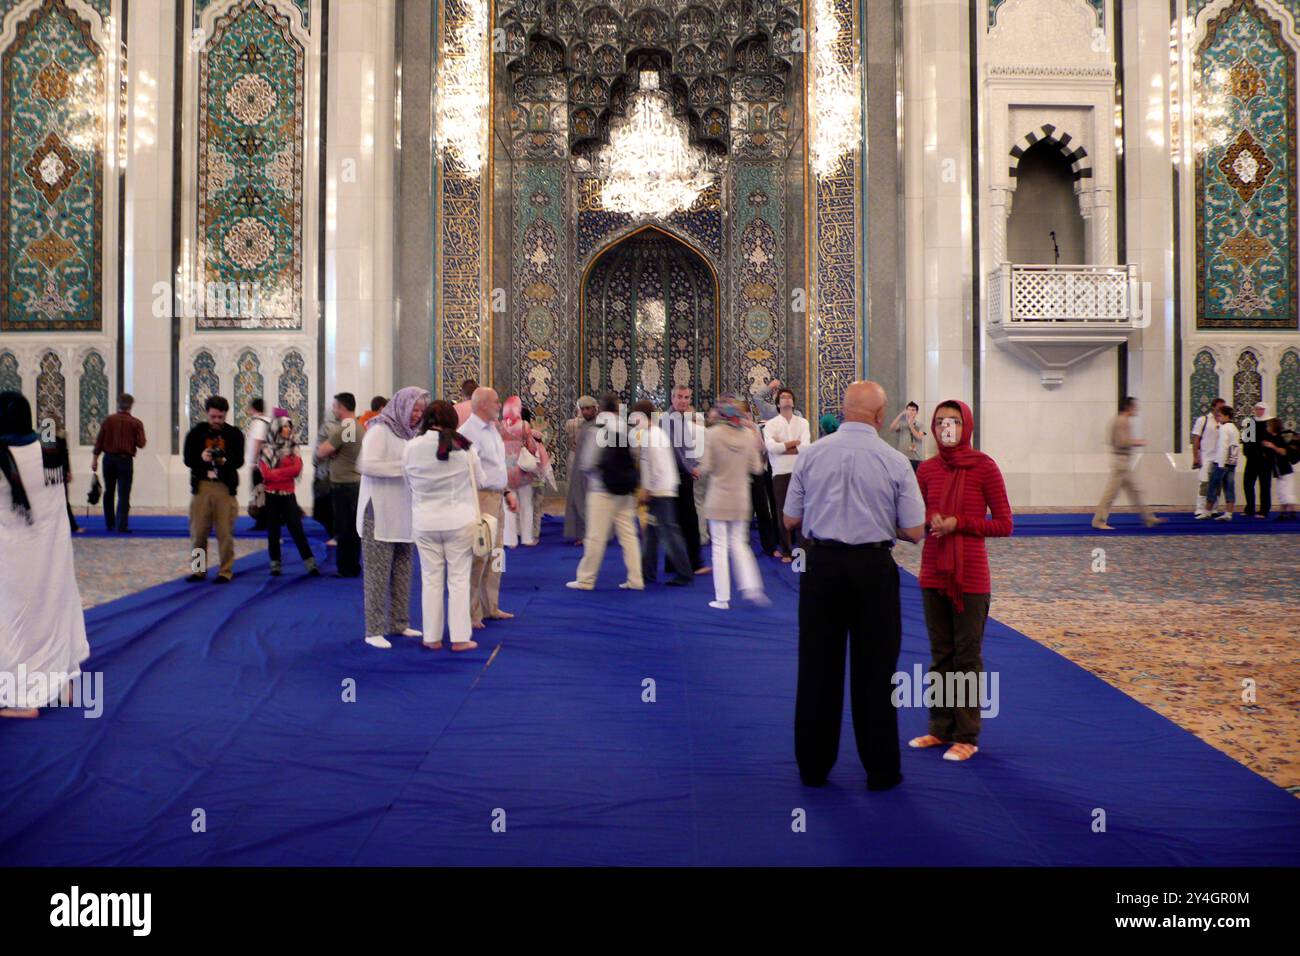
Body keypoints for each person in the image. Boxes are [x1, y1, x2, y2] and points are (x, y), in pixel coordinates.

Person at [782, 380, 925, 792]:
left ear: (842, 410)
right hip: (873, 570)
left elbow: (791, 519)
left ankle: (813, 767)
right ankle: (880, 770)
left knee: (816, 670)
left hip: (821, 567)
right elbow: (915, 530)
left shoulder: (810, 456)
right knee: (876, 674)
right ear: (881, 417)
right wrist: (878, 519)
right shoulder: (895, 461)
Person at [908, 400, 1013, 762]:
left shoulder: (984, 467)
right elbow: (916, 513)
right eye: (939, 422)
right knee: (941, 655)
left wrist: (960, 523)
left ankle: (966, 735)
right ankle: (940, 728)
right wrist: (930, 520)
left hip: (969, 576)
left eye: (953, 421)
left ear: (966, 425)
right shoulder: (928, 470)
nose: (945, 427)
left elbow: (1004, 524)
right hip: (933, 571)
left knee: (966, 658)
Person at [0, 392, 90, 718]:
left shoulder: (3, 454)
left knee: (14, 621)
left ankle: (24, 699)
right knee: (55, 610)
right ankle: (64, 686)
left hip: (14, 555)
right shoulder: (50, 448)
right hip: (53, 551)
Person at [404, 400, 482, 652]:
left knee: (430, 579)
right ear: (452, 420)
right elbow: (479, 481)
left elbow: (408, 483)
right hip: (459, 521)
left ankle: (431, 637)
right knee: (459, 580)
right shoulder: (465, 448)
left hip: (425, 522)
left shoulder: (411, 447)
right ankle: (460, 638)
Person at [357, 385, 429, 649]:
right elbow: (366, 465)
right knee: (378, 573)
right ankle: (373, 629)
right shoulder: (379, 430)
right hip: (378, 511)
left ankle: (400, 623)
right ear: (401, 406)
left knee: (403, 569)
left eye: (421, 410)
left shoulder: (412, 435)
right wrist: (405, 468)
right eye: (414, 409)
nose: (416, 414)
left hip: (404, 510)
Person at [567, 392, 643, 591]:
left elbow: (587, 463)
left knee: (595, 537)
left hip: (601, 490)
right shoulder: (627, 427)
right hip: (625, 491)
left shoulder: (597, 428)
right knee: (629, 535)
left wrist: (599, 477)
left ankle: (586, 580)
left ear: (600, 408)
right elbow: (636, 455)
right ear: (618, 409)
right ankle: (636, 579)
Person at [700, 395, 767, 609]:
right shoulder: (748, 435)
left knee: (719, 546)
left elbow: (706, 467)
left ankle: (722, 599)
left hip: (719, 497)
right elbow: (757, 468)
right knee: (739, 544)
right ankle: (752, 589)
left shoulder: (712, 434)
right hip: (740, 498)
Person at [459, 387, 519, 625]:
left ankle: (490, 606)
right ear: (483, 405)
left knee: (496, 554)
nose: (499, 405)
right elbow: (468, 472)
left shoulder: (492, 428)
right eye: (495, 401)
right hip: (480, 499)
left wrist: (506, 492)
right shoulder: (467, 433)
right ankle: (471, 612)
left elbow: (497, 466)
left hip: (497, 497)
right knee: (479, 556)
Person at [182, 395, 245, 583]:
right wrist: (201, 457)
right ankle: (198, 570)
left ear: (226, 415)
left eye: (220, 417)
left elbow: (239, 460)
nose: (217, 421)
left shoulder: (234, 434)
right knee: (198, 532)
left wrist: (225, 460)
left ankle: (225, 571)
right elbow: (188, 459)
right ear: (207, 414)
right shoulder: (196, 433)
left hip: (224, 488)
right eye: (213, 417)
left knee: (225, 533)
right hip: (202, 486)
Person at [630, 399, 691, 586]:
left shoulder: (651, 436)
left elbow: (655, 467)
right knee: (653, 533)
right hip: (661, 489)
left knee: (668, 532)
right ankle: (647, 572)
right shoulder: (655, 433)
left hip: (660, 491)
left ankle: (684, 572)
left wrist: (647, 489)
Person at [257, 411, 320, 577]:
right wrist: (285, 472)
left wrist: (277, 472)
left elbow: (297, 469)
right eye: (284, 426)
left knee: (297, 529)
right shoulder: (266, 448)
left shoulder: (294, 446)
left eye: (289, 426)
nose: (288, 429)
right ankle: (275, 564)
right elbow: (266, 475)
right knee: (273, 531)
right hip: (271, 495)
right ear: (276, 428)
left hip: (288, 494)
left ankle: (310, 563)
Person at [1092, 397, 1164, 530]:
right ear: (1128, 407)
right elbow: (1121, 442)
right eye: (1134, 407)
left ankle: (1148, 518)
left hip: (1122, 462)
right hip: (1121, 462)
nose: (1136, 409)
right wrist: (1137, 442)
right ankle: (1099, 520)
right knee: (1111, 494)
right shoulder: (1122, 421)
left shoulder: (1120, 420)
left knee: (1135, 492)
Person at [663, 385, 708, 575]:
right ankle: (692, 563)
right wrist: (692, 469)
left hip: (681, 476)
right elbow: (676, 450)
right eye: (679, 397)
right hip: (678, 477)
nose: (683, 400)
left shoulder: (679, 418)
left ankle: (675, 564)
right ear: (672, 398)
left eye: (687, 397)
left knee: (679, 522)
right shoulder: (670, 419)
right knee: (687, 521)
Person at [764, 387, 811, 560]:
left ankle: (802, 552)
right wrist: (792, 444)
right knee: (782, 512)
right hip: (780, 473)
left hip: (799, 472)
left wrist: (782, 446)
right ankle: (786, 550)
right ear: (778, 403)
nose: (786, 399)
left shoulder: (802, 422)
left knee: (802, 512)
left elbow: (806, 448)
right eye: (783, 397)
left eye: (789, 397)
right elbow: (771, 448)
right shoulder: (771, 424)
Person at [318, 393, 362, 576]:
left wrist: (331, 451)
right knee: (352, 528)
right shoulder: (356, 426)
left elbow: (321, 452)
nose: (333, 410)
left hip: (344, 485)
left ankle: (346, 567)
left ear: (342, 407)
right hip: (353, 483)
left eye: (335, 406)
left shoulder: (347, 427)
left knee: (344, 529)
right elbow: (347, 449)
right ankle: (352, 565)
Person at [91, 392, 146, 533]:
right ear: (131, 406)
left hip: (108, 459)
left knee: (109, 492)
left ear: (118, 404)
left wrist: (94, 460)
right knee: (124, 493)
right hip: (125, 461)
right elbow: (141, 444)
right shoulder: (136, 423)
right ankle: (121, 525)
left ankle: (109, 524)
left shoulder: (108, 421)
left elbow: (99, 442)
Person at [500, 395, 548, 547]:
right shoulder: (524, 425)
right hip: (522, 469)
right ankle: (527, 538)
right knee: (526, 504)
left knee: (508, 504)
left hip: (506, 469)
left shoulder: (500, 425)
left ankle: (509, 540)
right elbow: (532, 447)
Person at [564, 396, 599, 543]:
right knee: (578, 500)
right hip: (579, 469)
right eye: (583, 409)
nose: (585, 411)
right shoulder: (582, 426)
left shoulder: (599, 426)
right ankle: (581, 534)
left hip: (594, 473)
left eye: (588, 408)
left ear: (595, 409)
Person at [1205, 404, 1241, 521]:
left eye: (1220, 415)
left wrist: (1220, 464)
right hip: (1231, 462)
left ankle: (1207, 511)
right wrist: (1232, 462)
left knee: (1213, 486)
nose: (1218, 417)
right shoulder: (1234, 428)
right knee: (1229, 487)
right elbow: (1234, 447)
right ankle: (1228, 513)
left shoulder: (1224, 428)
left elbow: (1223, 446)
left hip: (1221, 462)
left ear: (1226, 416)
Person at [1191, 397, 1225, 517]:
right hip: (1206, 456)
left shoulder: (1223, 422)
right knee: (1204, 483)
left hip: (1219, 457)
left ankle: (1214, 508)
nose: (1221, 409)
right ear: (1213, 407)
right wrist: (1196, 456)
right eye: (1219, 406)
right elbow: (1196, 439)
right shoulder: (1203, 420)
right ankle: (1200, 508)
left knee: (1217, 484)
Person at [48, 422, 82, 533]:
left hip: (49, 472)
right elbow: (64, 455)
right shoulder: (60, 438)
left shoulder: (42, 439)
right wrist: (67, 471)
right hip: (58, 472)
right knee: (63, 499)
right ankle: (72, 526)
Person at [243, 397, 271, 529]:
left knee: (259, 492)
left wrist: (254, 461)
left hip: (260, 464)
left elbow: (258, 442)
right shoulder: (266, 421)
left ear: (253, 408)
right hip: (265, 463)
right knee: (262, 492)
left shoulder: (259, 423)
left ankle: (261, 521)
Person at [1242, 402, 1272, 519]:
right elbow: (1246, 440)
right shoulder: (1251, 422)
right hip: (1252, 459)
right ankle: (1250, 508)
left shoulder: (1270, 422)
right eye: (1257, 409)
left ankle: (1264, 510)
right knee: (1247, 484)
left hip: (1265, 460)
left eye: (1261, 409)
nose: (1258, 411)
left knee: (1264, 485)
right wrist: (1247, 453)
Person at [310, 413, 336, 540]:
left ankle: (335, 535)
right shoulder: (349, 428)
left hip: (327, 475)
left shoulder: (327, 428)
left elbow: (318, 455)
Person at [888, 401, 926, 473]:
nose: (910, 412)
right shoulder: (902, 424)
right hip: (902, 457)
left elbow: (920, 437)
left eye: (913, 410)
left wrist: (910, 425)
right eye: (908, 409)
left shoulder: (921, 425)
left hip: (916, 458)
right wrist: (901, 414)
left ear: (917, 412)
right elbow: (891, 428)